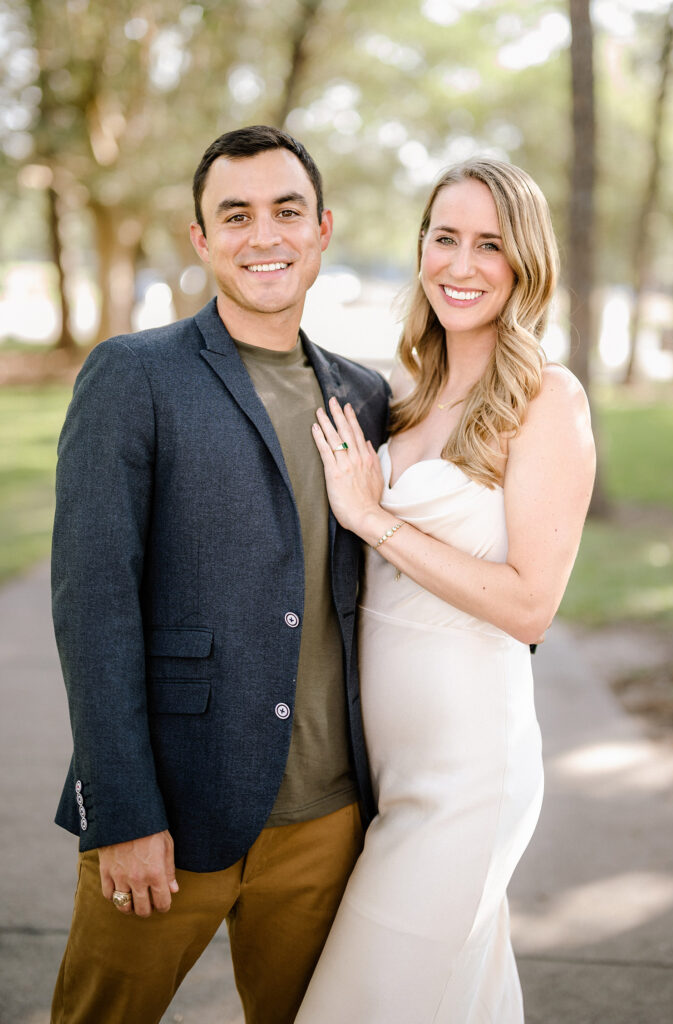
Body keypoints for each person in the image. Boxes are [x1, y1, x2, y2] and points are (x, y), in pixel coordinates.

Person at [50, 125, 390, 1024]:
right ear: (201, 242)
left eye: (285, 211)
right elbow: (93, 605)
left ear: (322, 228)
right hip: (170, 808)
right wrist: (121, 811)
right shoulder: (135, 376)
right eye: (233, 216)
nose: (262, 235)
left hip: (326, 819)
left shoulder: (365, 397)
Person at [294, 159, 596, 1022]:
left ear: (524, 263)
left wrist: (372, 515)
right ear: (420, 248)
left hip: (467, 770)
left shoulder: (546, 398)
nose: (461, 265)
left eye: (489, 245)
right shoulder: (406, 392)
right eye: (444, 238)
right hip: (382, 768)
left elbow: (529, 604)